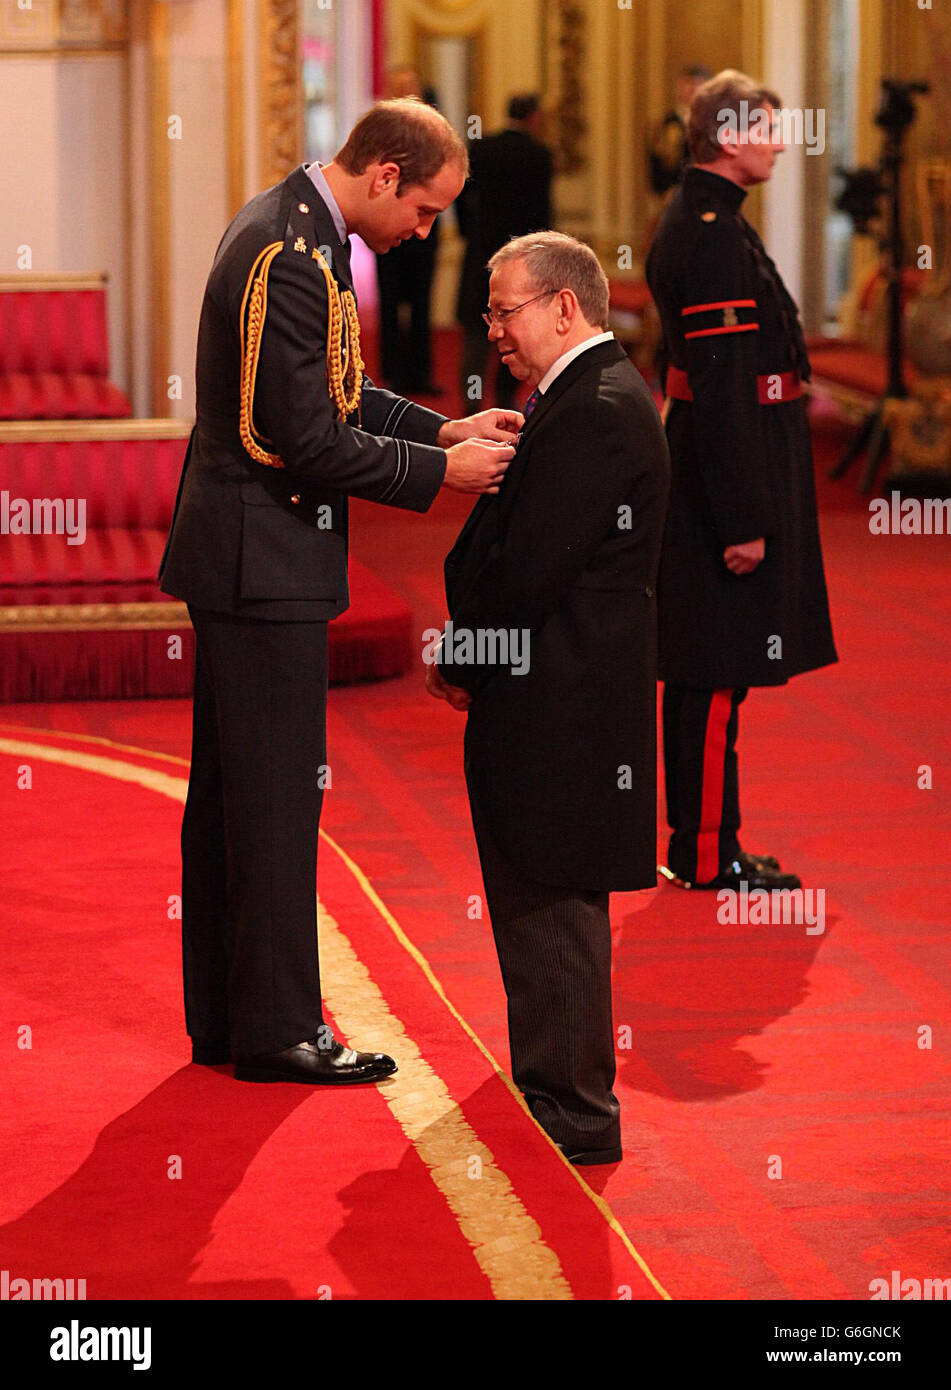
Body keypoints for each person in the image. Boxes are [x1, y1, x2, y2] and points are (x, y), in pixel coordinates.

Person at [159, 98, 519, 1085]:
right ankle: (278, 1029)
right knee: (271, 800)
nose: (427, 232)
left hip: (250, 555)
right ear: (388, 174)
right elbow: (305, 439)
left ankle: (231, 1019)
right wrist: (438, 478)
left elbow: (339, 391)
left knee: (237, 796)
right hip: (259, 559)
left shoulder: (297, 227)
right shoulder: (295, 255)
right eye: (430, 209)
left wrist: (442, 430)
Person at [427, 232, 670, 1165]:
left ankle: (573, 1109)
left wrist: (461, 657)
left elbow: (529, 571)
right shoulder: (579, 395)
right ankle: (550, 1086)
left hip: (563, 700)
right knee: (535, 890)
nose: (492, 329)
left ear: (564, 307)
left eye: (503, 310)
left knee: (552, 900)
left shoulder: (596, 407)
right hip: (555, 691)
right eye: (489, 312)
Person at [645, 69, 837, 892]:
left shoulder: (707, 218)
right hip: (728, 468)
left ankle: (703, 843)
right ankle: (703, 851)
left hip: (722, 454)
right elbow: (722, 386)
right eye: (766, 127)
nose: (779, 142)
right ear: (728, 136)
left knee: (705, 668)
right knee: (715, 670)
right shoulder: (713, 232)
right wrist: (742, 520)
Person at [455, 94, 553, 409]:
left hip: (480, 253)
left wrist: (465, 230)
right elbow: (543, 213)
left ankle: (471, 404)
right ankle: (505, 403)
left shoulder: (482, 149)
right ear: (534, 117)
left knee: (475, 334)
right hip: (521, 257)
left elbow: (460, 194)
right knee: (515, 330)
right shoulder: (539, 155)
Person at [374, 67, 443, 395]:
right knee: (390, 303)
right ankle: (393, 374)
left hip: (424, 230)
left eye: (411, 88)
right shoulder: (380, 132)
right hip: (387, 225)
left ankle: (421, 373)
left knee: (421, 304)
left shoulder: (434, 132)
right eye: (400, 88)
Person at [647, 64, 712, 196]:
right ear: (679, 88)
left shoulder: (715, 125)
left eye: (698, 84)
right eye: (688, 83)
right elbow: (657, 164)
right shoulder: (664, 124)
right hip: (674, 196)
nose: (693, 89)